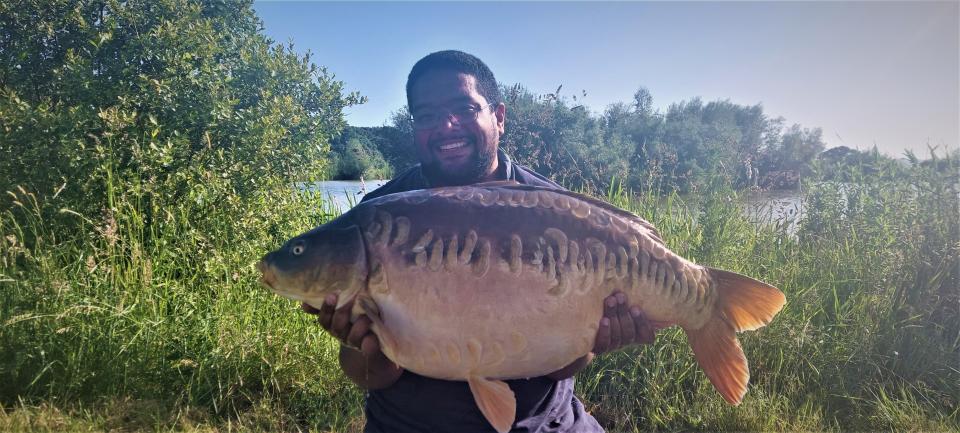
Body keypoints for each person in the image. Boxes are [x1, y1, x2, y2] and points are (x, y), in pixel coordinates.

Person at [302, 50, 655, 433]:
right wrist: (358, 343)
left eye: (464, 108)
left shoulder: (560, 215)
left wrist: (594, 340)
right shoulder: (377, 219)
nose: (447, 126)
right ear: (415, 127)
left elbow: (561, 367)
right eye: (427, 116)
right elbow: (372, 375)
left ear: (498, 117)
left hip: (544, 425)